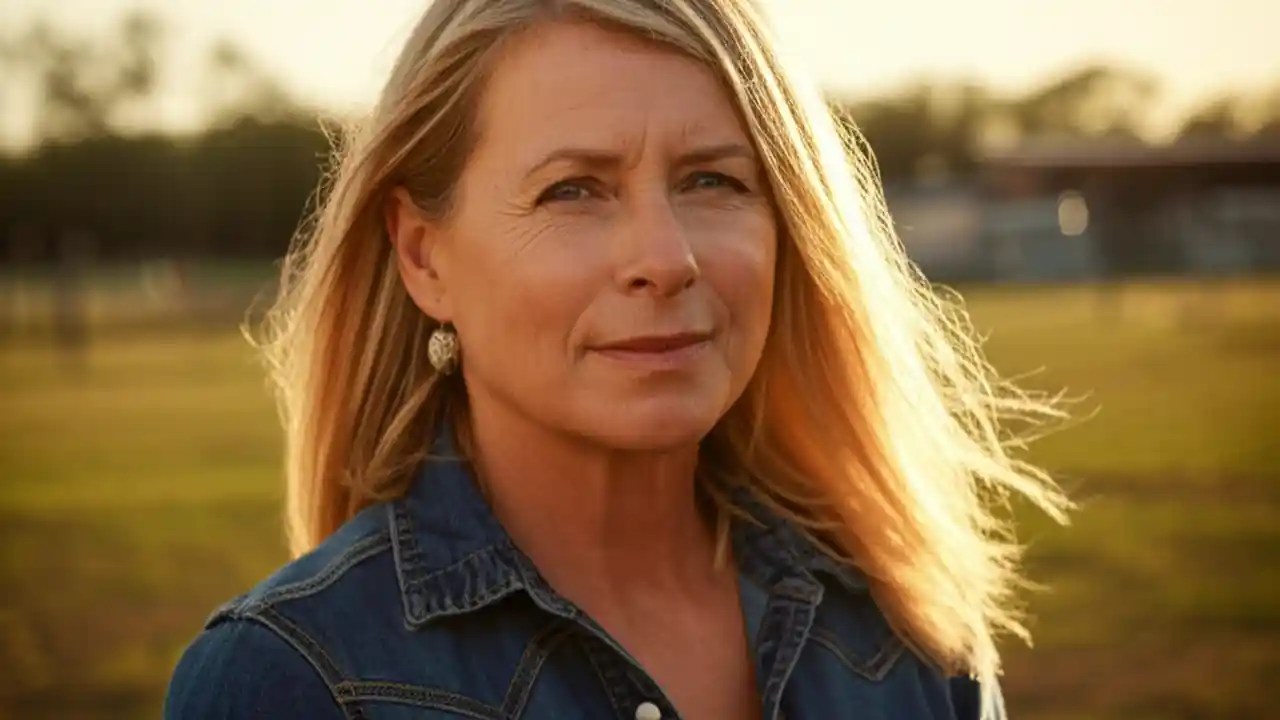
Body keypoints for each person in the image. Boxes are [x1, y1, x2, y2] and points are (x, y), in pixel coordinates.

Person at [165, 1, 1070, 718]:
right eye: (573, 190)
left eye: (712, 179)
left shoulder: (909, 636)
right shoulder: (290, 681)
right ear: (423, 255)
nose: (666, 259)